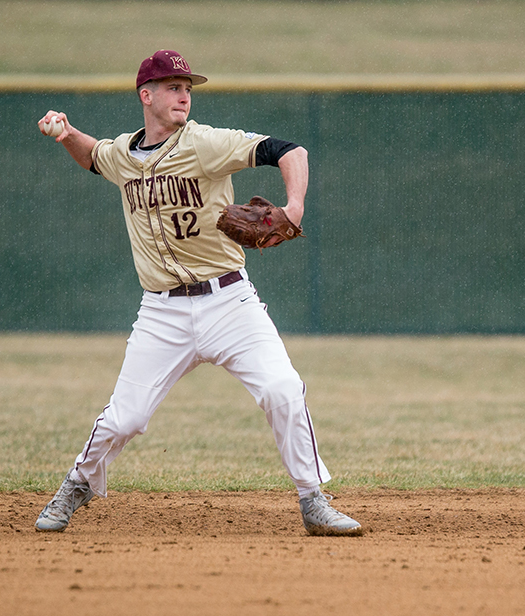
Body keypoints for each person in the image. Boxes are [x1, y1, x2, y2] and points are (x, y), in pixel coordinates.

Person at [33, 50, 362, 536]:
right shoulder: (125, 153)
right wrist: (65, 135)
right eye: (172, 86)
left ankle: (313, 499)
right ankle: (77, 485)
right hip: (161, 311)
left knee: (282, 388)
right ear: (146, 96)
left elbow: (291, 150)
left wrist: (294, 206)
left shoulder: (206, 143)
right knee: (126, 419)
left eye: (187, 86)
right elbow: (94, 156)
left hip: (229, 302)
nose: (184, 93)